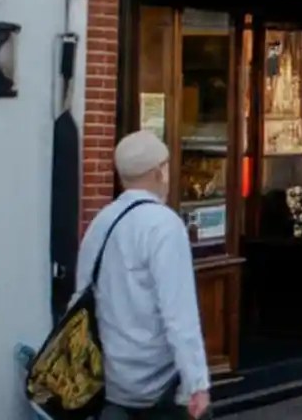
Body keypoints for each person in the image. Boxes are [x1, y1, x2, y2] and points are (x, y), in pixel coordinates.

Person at [74, 130, 211, 419]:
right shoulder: (164, 225)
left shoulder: (102, 222)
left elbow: (80, 297)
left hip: (109, 380)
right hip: (157, 385)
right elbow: (178, 313)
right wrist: (196, 382)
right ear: (159, 172)